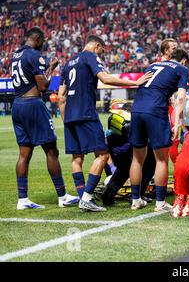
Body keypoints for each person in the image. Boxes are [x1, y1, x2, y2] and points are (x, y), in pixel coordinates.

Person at [58, 35, 151, 212]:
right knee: (102, 155)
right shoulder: (90, 56)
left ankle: (82, 197)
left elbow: (61, 97)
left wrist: (66, 119)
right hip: (86, 113)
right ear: (97, 46)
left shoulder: (68, 62)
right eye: (102, 50)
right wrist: (134, 82)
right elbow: (105, 78)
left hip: (69, 116)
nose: (102, 53)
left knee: (77, 158)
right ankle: (86, 198)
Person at [10, 27, 79, 210]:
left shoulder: (15, 55)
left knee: (24, 153)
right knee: (51, 150)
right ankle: (63, 196)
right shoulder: (34, 55)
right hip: (33, 104)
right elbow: (43, 86)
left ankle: (22, 199)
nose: (44, 44)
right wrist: (51, 68)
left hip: (17, 105)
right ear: (38, 39)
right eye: (43, 41)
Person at [129, 49, 189, 211]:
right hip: (155, 111)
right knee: (161, 159)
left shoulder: (153, 65)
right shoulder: (182, 69)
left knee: (137, 159)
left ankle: (136, 200)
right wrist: (177, 123)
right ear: (183, 61)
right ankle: (160, 202)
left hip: (136, 110)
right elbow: (181, 97)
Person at [101, 104, 156, 206]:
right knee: (149, 166)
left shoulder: (114, 120)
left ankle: (108, 195)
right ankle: (137, 195)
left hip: (116, 151)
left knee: (123, 171)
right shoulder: (132, 120)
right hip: (130, 148)